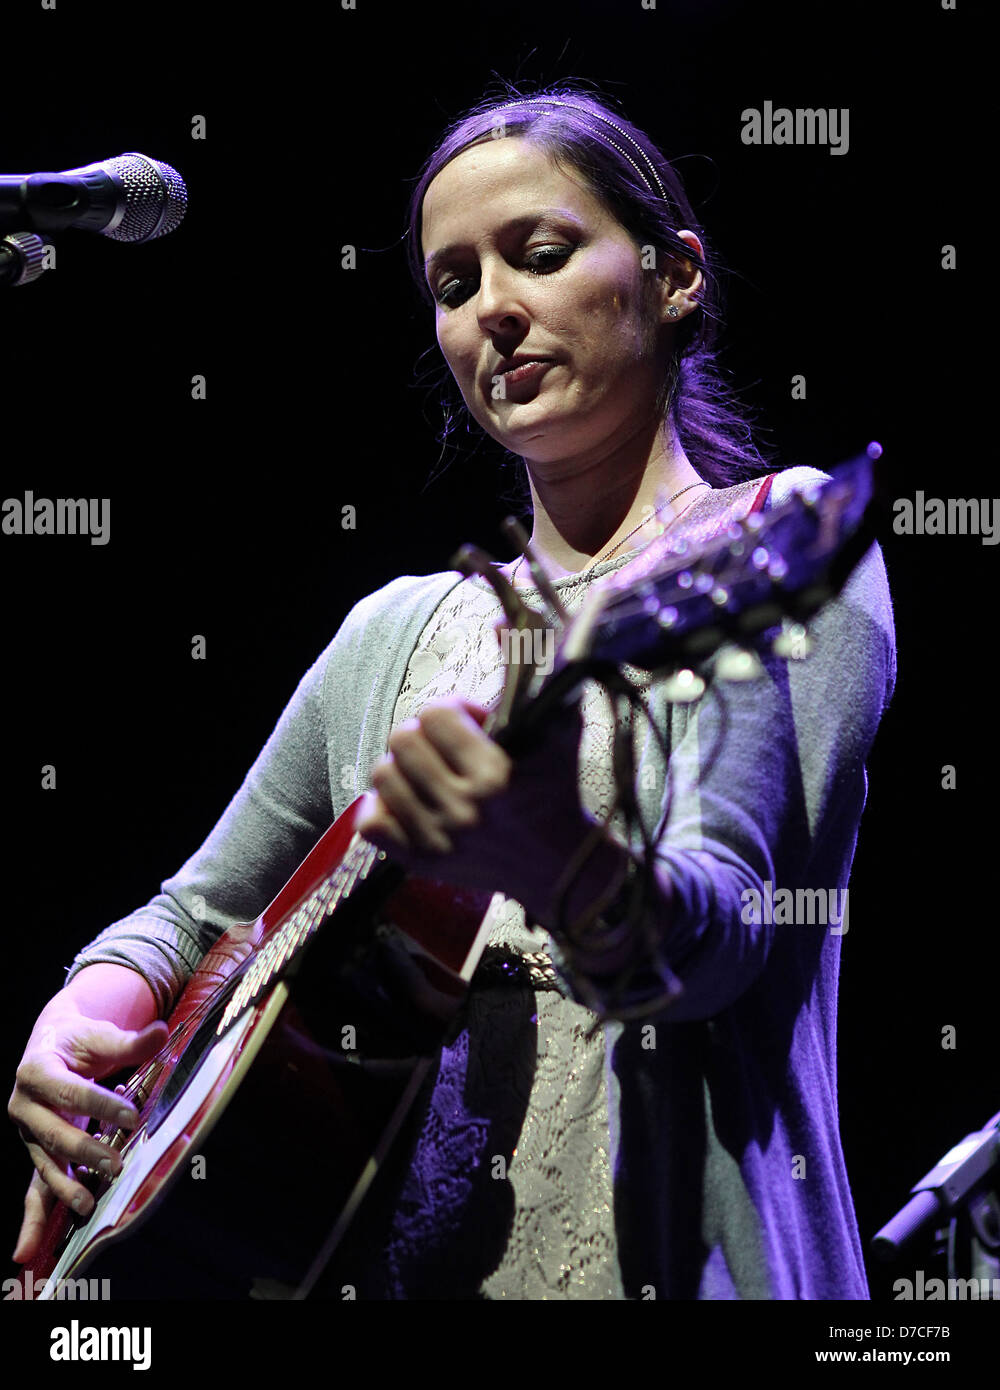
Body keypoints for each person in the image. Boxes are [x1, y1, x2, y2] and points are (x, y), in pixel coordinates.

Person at [8, 83, 895, 1299]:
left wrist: (555, 854)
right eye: (453, 285)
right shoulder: (397, 629)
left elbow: (731, 934)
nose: (495, 312)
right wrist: (81, 1018)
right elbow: (191, 917)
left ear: (674, 274)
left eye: (537, 255)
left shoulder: (768, 539)